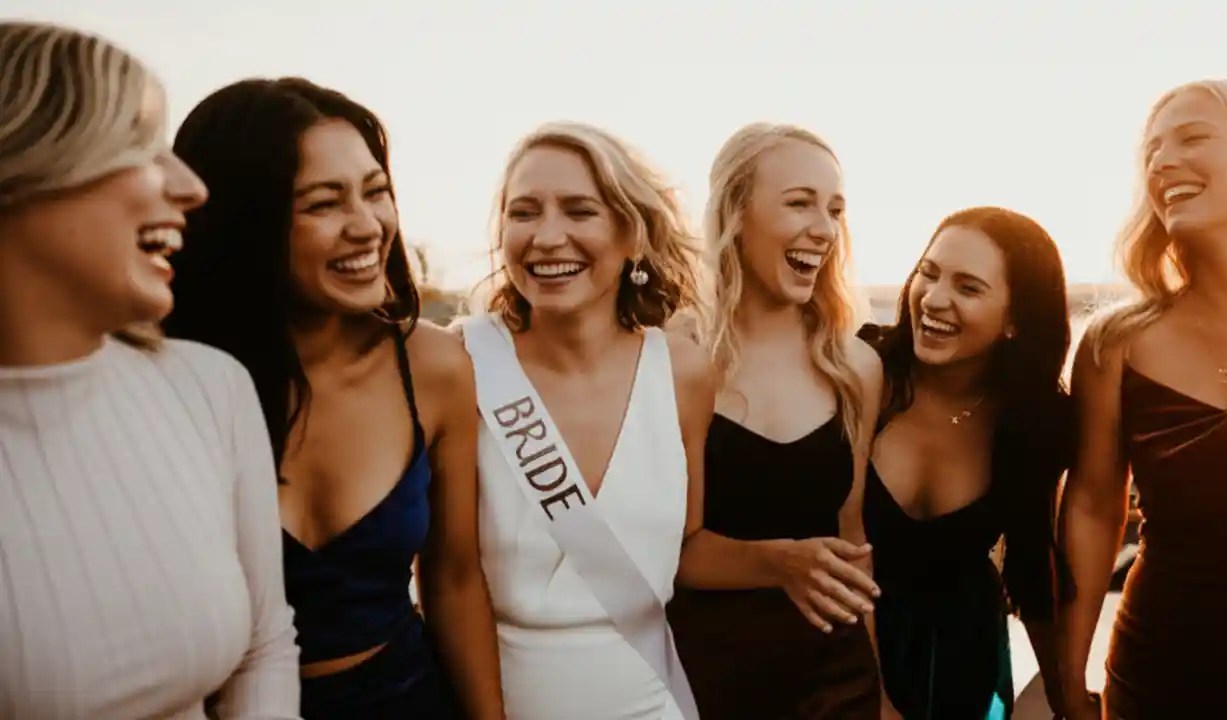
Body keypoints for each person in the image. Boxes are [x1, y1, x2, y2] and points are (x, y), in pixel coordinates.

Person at [164, 78, 503, 719]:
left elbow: (454, 579)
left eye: (375, 192)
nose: (367, 225)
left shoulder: (433, 367)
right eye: (324, 203)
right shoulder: (168, 379)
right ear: (245, 222)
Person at [0, 22, 301, 719]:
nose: (190, 187)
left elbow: (265, 648)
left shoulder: (208, 386)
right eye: (140, 145)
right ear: (22, 163)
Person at [458, 121, 710, 719]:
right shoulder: (459, 364)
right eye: (524, 213)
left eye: (579, 211)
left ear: (634, 236)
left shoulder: (684, 372)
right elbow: (450, 578)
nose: (548, 237)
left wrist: (786, 561)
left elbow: (688, 543)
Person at [1060, 79, 1227, 719]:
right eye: (1151, 151)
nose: (1161, 163)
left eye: (1193, 137)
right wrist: (1069, 677)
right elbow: (1094, 507)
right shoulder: (1115, 344)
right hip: (1158, 674)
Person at [666, 123, 886, 720]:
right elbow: (667, 554)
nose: (824, 228)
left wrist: (880, 689)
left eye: (835, 209)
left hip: (837, 683)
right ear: (736, 214)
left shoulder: (855, 366)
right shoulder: (673, 357)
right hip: (706, 678)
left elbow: (851, 538)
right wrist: (777, 563)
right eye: (799, 203)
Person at [857, 207, 1071, 719]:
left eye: (968, 287)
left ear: (1015, 319)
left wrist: (1067, 698)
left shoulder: (1036, 421)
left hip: (964, 670)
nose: (933, 299)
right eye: (928, 273)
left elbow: (1032, 570)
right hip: (846, 652)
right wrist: (876, 702)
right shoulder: (862, 370)